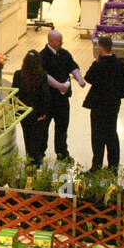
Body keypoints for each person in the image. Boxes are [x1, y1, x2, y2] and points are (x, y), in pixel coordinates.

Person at [83, 35, 124, 171]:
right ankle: (113, 166)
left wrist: (95, 62)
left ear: (100, 47)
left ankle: (97, 165)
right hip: (112, 105)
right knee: (111, 134)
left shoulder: (99, 65)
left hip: (98, 104)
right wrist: (118, 95)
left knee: (97, 135)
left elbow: (88, 77)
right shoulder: (120, 64)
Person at [40, 29, 86, 160]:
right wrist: (59, 86)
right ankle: (40, 154)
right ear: (51, 41)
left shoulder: (65, 53)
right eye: (59, 41)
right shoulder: (42, 56)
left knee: (62, 127)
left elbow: (73, 67)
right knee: (43, 129)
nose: (62, 43)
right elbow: (44, 75)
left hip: (62, 99)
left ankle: (62, 153)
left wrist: (79, 79)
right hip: (48, 100)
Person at [11, 50, 51, 164]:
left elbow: (13, 94)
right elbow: (45, 96)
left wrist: (15, 110)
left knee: (27, 137)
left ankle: (29, 160)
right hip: (37, 113)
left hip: (24, 112)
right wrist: (44, 112)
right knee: (38, 137)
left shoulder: (18, 74)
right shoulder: (42, 76)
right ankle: (37, 160)